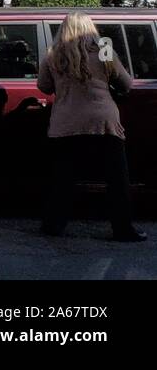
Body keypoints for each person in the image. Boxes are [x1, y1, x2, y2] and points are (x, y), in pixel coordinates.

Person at [38, 12, 146, 241]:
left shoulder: (53, 56)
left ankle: (54, 225)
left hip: (66, 123)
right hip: (103, 122)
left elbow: (44, 87)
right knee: (116, 180)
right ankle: (123, 230)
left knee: (63, 179)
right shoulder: (104, 51)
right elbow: (126, 84)